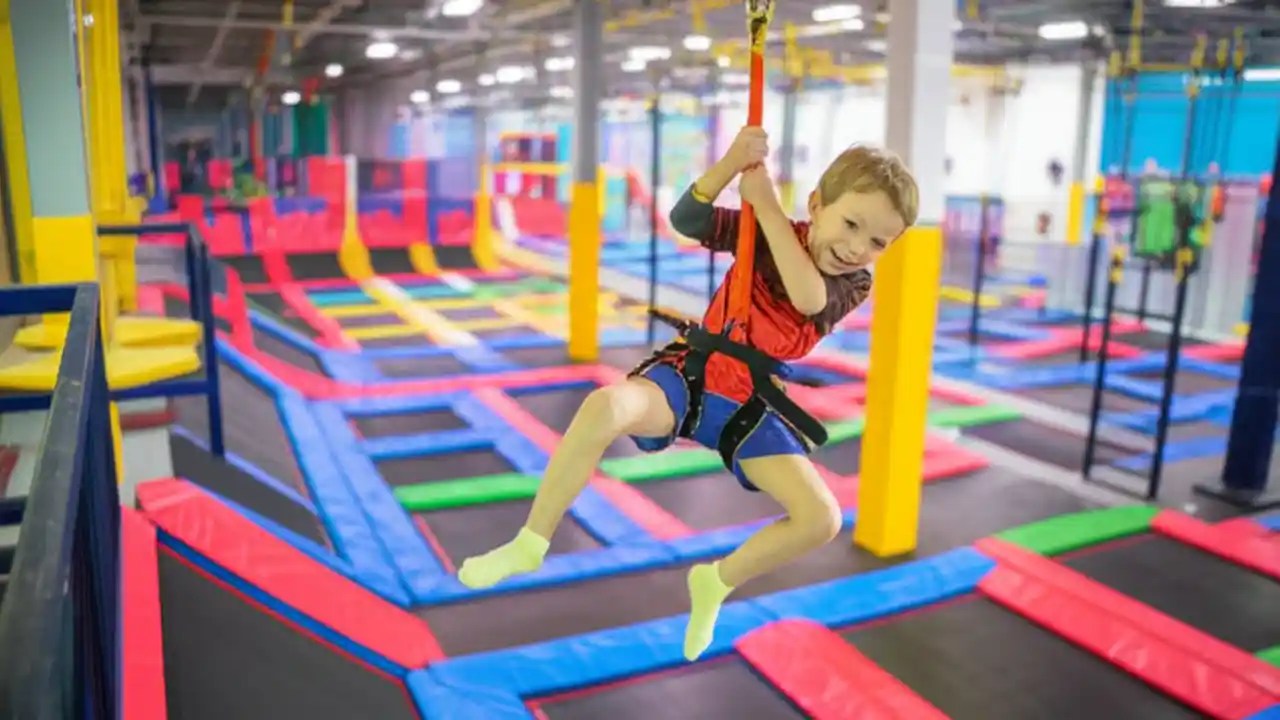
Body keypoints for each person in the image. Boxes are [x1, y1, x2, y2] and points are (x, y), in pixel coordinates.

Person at [456, 127, 919, 661]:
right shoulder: (759, 231)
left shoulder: (853, 282)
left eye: (879, 242)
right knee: (604, 405)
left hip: (748, 408)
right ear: (817, 205)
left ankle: (717, 581)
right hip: (692, 378)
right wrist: (730, 163)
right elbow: (687, 220)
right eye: (851, 224)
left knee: (822, 519)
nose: (858, 247)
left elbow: (808, 296)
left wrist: (766, 206)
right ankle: (531, 542)